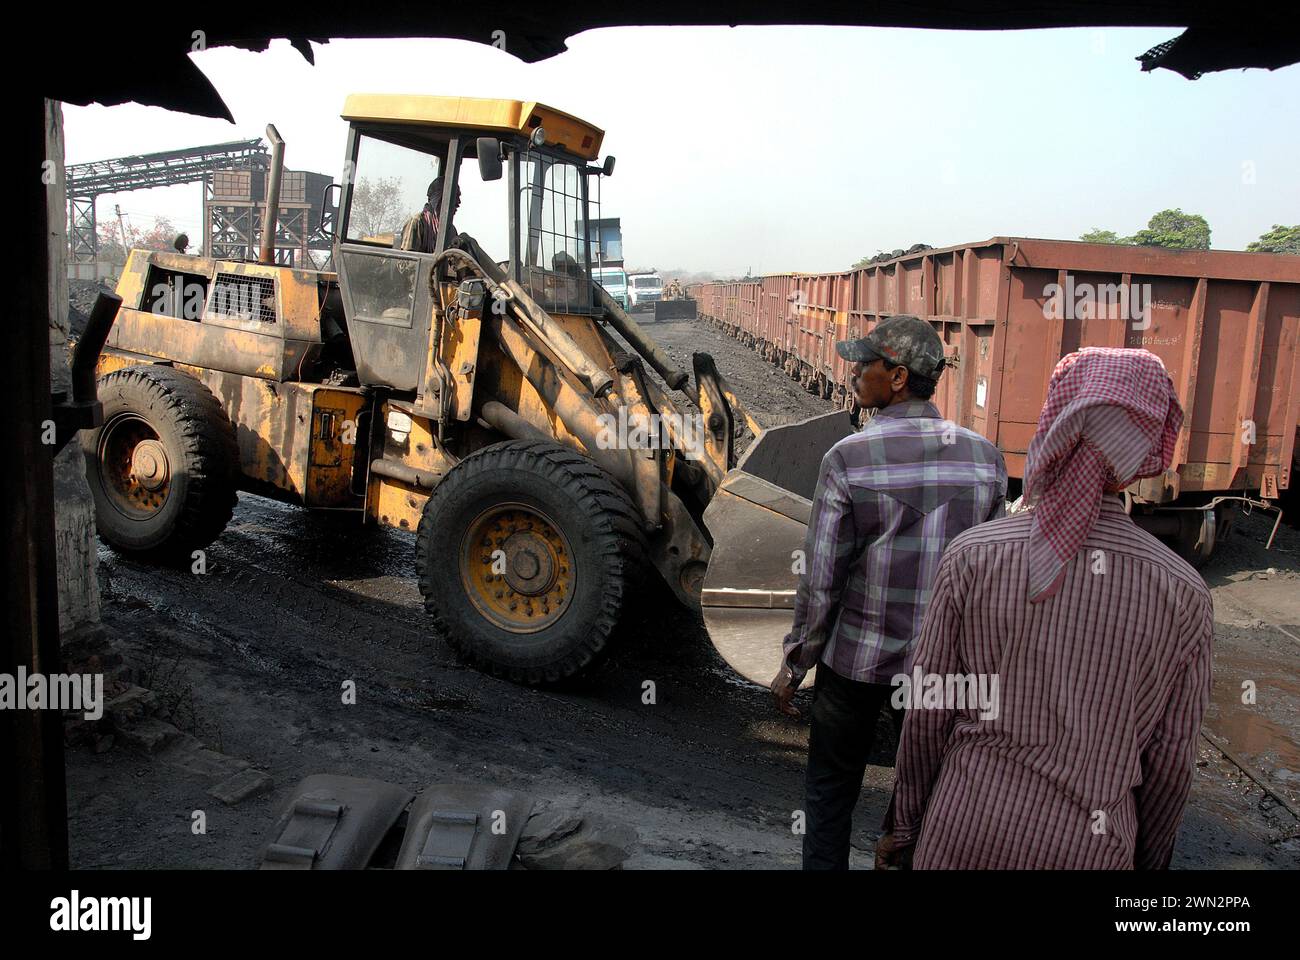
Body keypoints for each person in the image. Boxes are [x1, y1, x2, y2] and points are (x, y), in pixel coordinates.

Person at [877, 347, 1210, 870]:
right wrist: (1151, 862)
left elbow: (926, 715)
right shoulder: (1185, 593)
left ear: (1055, 420)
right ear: (1145, 449)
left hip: (963, 833)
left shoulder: (972, 556)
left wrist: (905, 825)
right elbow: (1172, 764)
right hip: (1091, 851)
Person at [770, 314, 1007, 870]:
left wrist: (796, 660)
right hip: (941, 669)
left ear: (896, 377)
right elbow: (994, 576)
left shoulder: (848, 457)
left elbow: (823, 578)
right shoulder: (984, 458)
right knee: (924, 797)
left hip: (856, 662)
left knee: (830, 792)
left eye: (864, 363)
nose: (853, 371)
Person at [398, 176, 460, 253]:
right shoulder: (417, 223)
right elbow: (407, 262)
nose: (458, 203)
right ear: (440, 199)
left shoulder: (451, 230)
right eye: (455, 197)